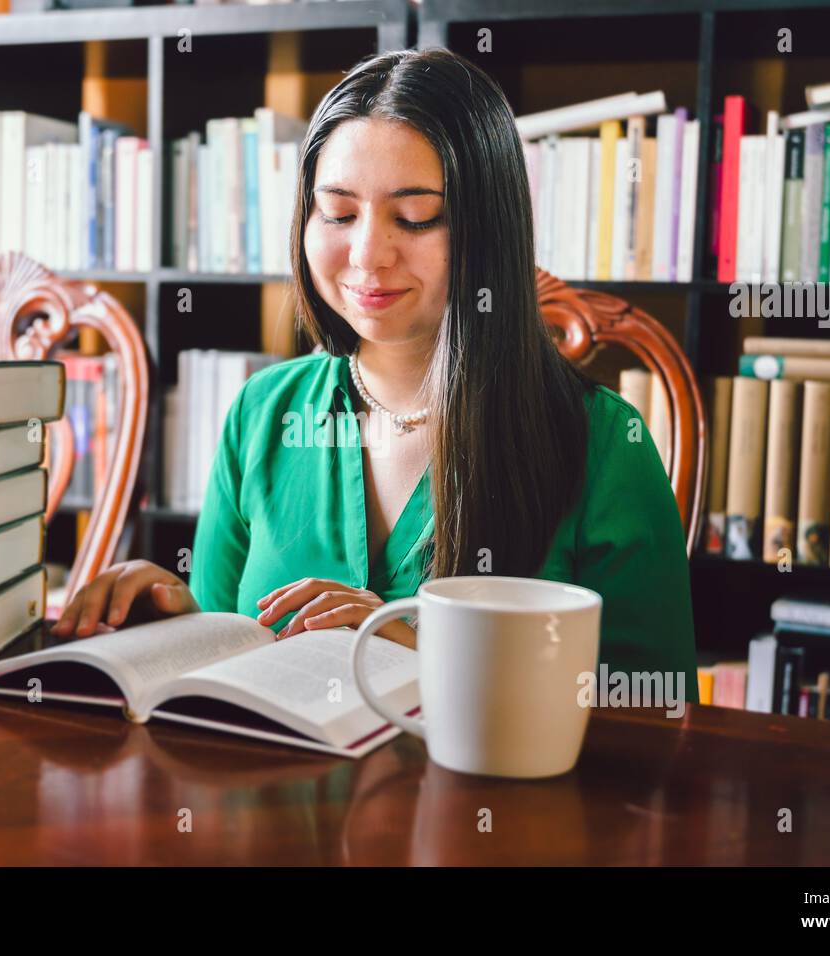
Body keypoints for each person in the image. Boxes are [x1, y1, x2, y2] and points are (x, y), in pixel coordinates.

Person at [52, 47, 698, 700]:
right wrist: (166, 625)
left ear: (489, 230)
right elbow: (226, 644)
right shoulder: (263, 412)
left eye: (415, 217)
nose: (367, 254)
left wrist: (437, 662)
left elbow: (654, 707)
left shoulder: (608, 446)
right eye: (337, 212)